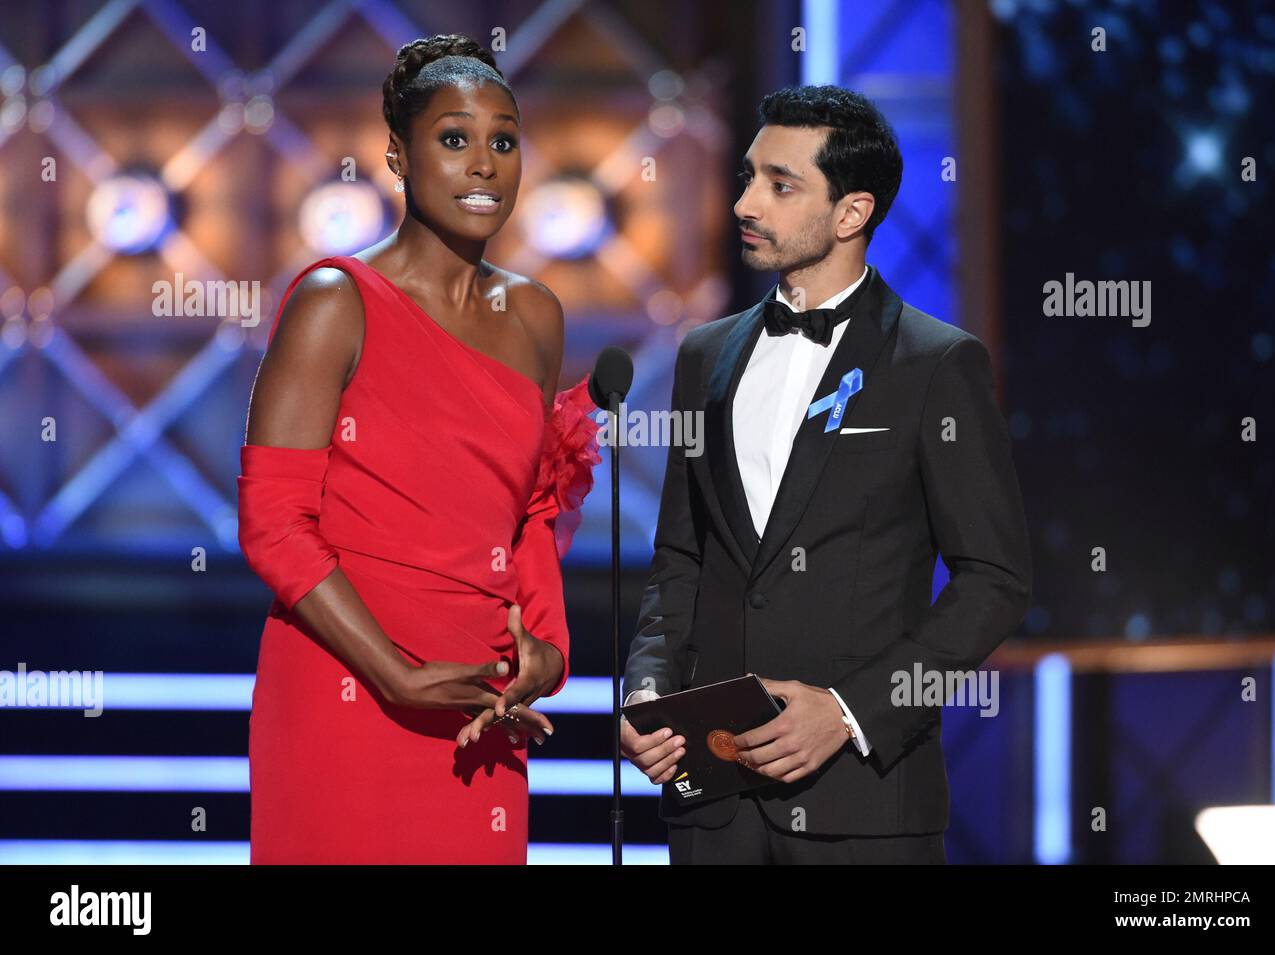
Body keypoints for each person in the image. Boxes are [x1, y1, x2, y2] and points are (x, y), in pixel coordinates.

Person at [620, 85, 1032, 864]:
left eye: (780, 185)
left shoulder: (936, 363)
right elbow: (681, 556)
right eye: (747, 177)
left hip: (865, 810)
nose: (746, 202)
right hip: (714, 810)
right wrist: (647, 691)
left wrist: (849, 711)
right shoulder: (704, 355)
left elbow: (995, 580)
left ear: (852, 213)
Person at [237, 33, 599, 864]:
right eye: (454, 139)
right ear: (397, 156)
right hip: (346, 686)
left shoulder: (537, 316)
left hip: (478, 703)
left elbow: (532, 508)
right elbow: (272, 520)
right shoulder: (336, 301)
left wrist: (544, 644)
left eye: (503, 142)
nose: (483, 165)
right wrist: (394, 673)